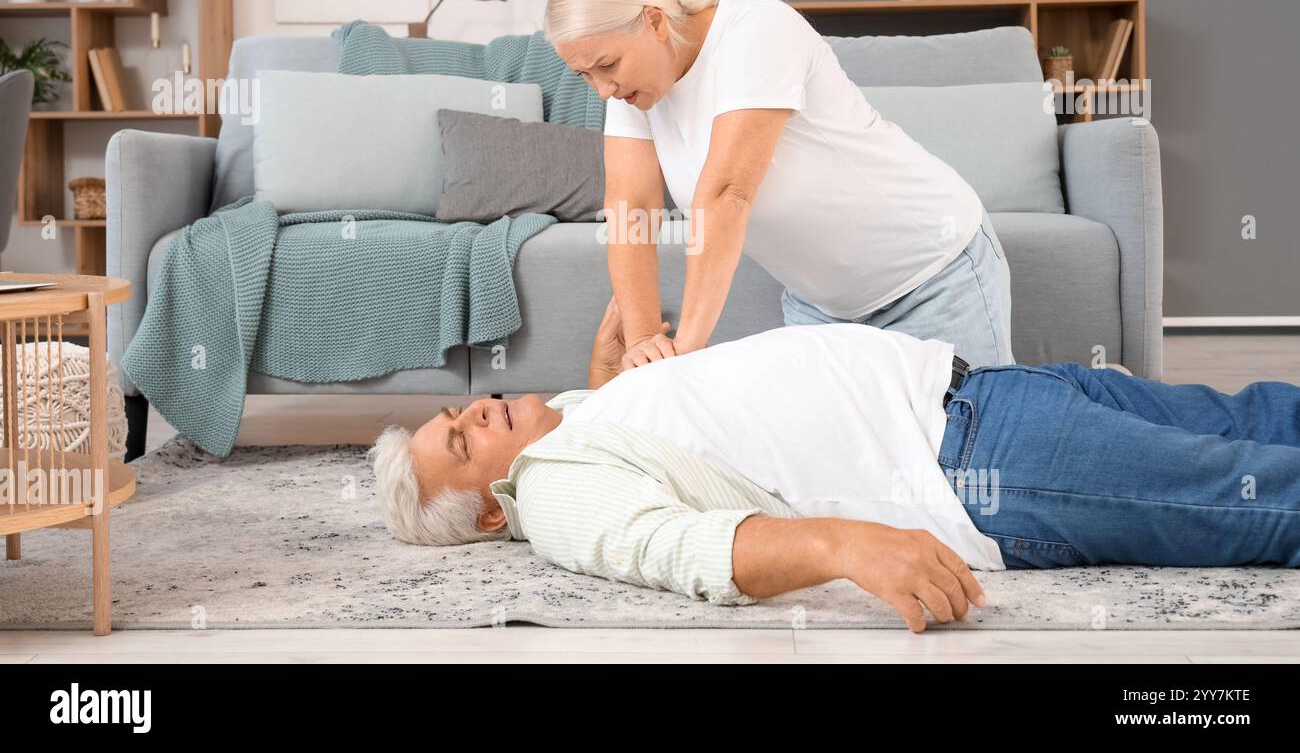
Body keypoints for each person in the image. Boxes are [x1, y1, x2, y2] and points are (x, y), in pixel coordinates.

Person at [370, 298, 1300, 633]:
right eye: (464, 440)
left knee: (1250, 416)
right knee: (1248, 495)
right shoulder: (561, 496)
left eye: (458, 411)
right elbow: (688, 550)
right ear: (494, 510)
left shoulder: (575, 428)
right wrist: (850, 546)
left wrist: (609, 376)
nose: (479, 409)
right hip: (975, 466)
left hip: (980, 392)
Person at [543, 0, 1014, 373]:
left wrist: (683, 355)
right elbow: (632, 209)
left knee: (982, 447)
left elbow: (727, 193)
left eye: (607, 65)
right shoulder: (634, 93)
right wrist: (644, 340)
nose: (603, 89)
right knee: (829, 464)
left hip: (933, 273)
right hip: (821, 310)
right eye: (585, 75)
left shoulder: (756, 30)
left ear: (654, 21)